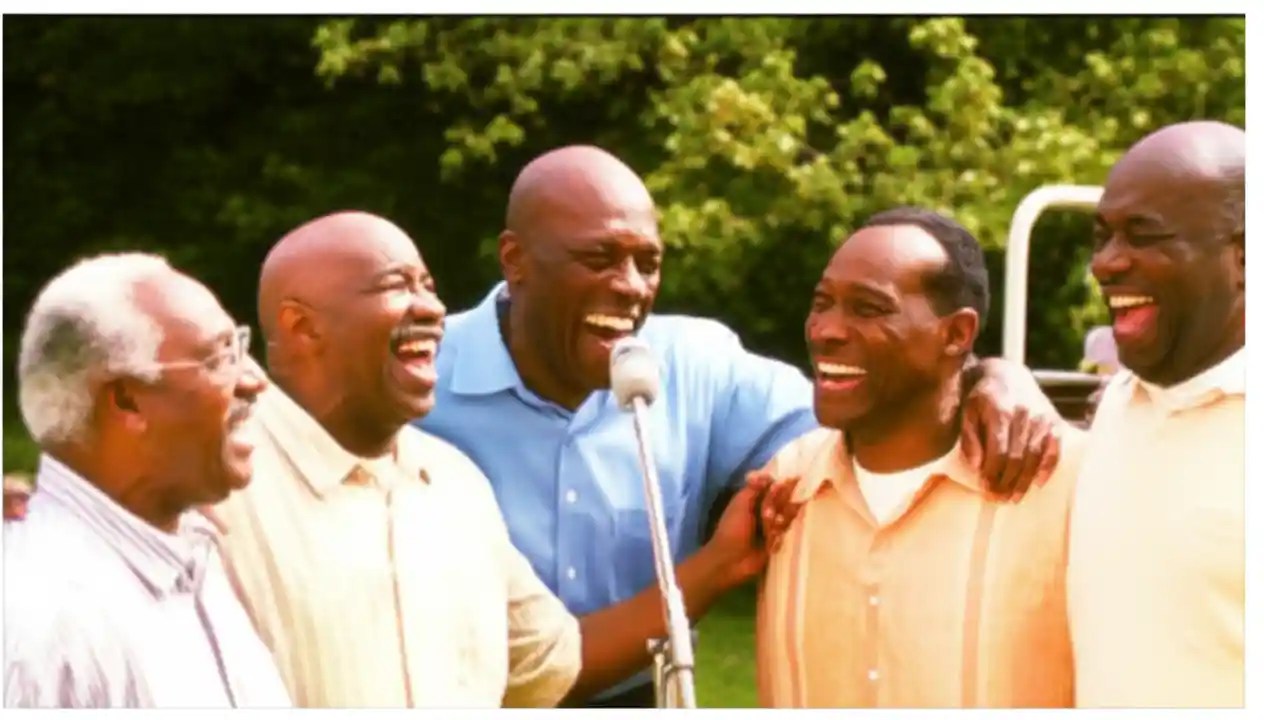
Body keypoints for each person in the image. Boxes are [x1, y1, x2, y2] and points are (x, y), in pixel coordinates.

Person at [417, 145, 1067, 706]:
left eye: (648, 261)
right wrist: (716, 568)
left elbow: (879, 401)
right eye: (600, 258)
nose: (632, 286)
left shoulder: (693, 365)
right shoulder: (416, 380)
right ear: (516, 259)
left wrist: (993, 376)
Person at [207, 211, 778, 708]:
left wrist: (720, 564)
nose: (431, 306)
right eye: (395, 285)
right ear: (301, 325)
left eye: (428, 285)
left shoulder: (452, 486)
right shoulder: (211, 491)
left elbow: (555, 663)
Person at [755, 207, 1085, 707]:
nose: (826, 330)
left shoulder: (1063, 484)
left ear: (956, 335)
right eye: (822, 303)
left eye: (868, 308)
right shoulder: (788, 483)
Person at [4, 253, 288, 708]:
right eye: (219, 357)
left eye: (239, 346)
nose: (256, 381)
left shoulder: (194, 557)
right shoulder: (35, 617)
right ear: (126, 401)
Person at [1068, 120, 1245, 708]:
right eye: (1104, 237)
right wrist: (998, 377)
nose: (1106, 265)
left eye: (1144, 236)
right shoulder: (1120, 405)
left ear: (1243, 256)